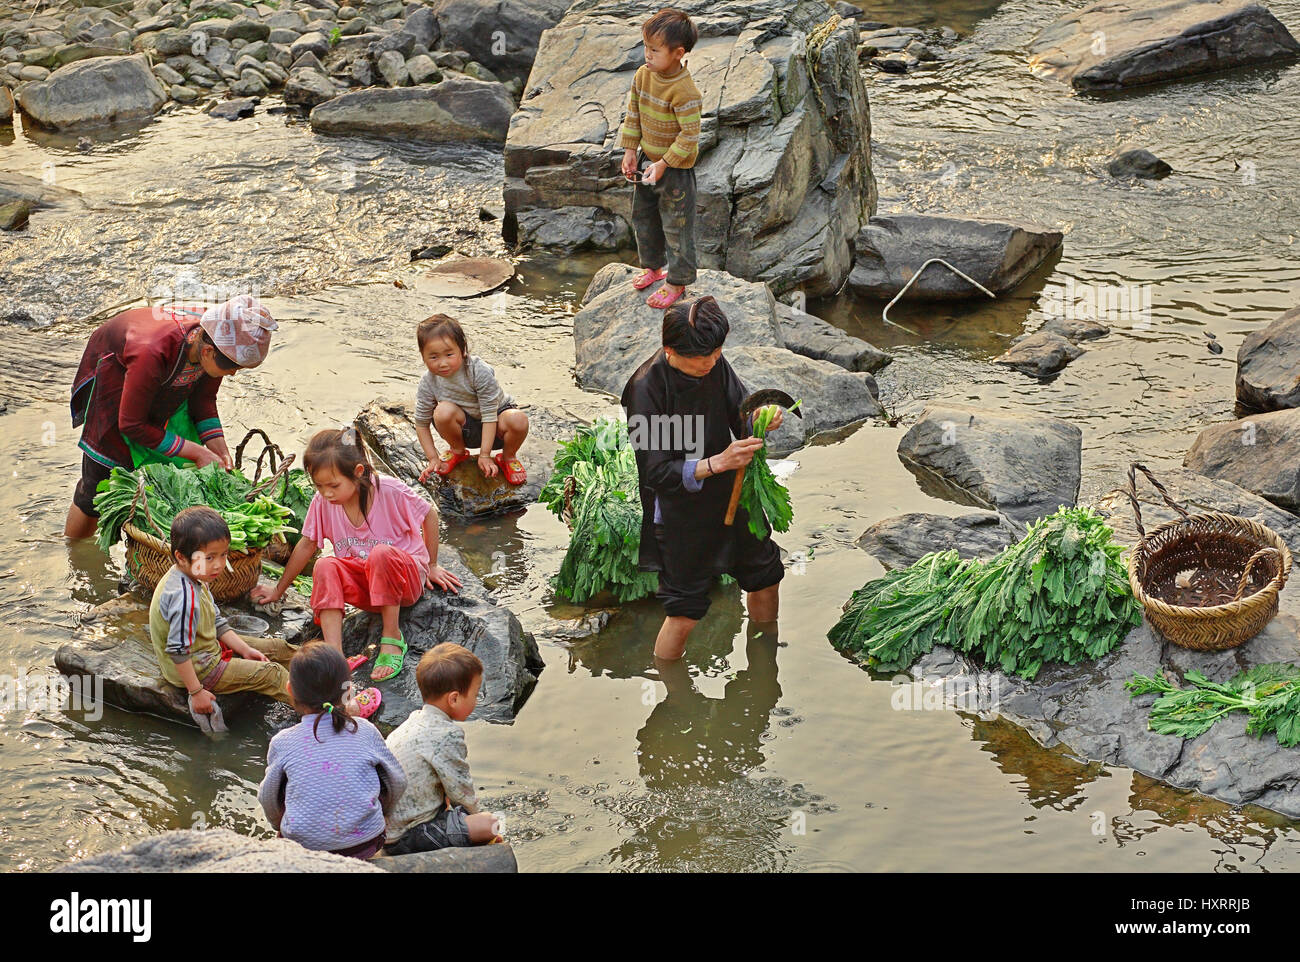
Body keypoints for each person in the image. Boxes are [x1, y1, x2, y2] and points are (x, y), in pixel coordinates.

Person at [620, 295, 788, 661]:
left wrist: (761, 416)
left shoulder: (713, 361)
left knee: (765, 574)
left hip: (732, 490)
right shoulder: (645, 389)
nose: (711, 363)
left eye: (716, 353)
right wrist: (716, 462)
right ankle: (673, 696)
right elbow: (655, 471)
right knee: (685, 609)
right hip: (680, 509)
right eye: (700, 358)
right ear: (670, 349)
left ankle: (763, 662)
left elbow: (740, 412)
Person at [250, 428, 463, 688]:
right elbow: (307, 545)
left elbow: (428, 514)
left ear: (359, 472)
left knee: (381, 553)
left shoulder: (389, 491)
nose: (326, 493)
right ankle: (334, 655)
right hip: (368, 587)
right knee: (325, 564)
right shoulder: (323, 502)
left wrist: (430, 565)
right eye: (319, 485)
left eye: (334, 485)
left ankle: (392, 637)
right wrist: (278, 590)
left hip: (402, 583)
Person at [66, 295, 277, 539]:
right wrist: (198, 453)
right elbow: (131, 424)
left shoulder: (218, 339)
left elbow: (204, 401)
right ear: (207, 351)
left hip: (161, 379)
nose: (232, 374)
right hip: (117, 378)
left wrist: (220, 452)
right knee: (97, 486)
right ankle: (76, 551)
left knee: (165, 477)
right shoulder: (152, 350)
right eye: (232, 368)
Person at [149, 506, 304, 721]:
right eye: (210, 558)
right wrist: (196, 692)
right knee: (272, 674)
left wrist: (246, 649)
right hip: (200, 668)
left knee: (277, 648)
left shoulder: (195, 577)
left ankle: (324, 671)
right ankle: (323, 712)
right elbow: (178, 650)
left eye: (223, 555)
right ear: (181, 557)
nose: (219, 565)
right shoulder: (184, 597)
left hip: (205, 647)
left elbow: (217, 622)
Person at [257, 642, 407, 860]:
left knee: (283, 783)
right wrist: (384, 813)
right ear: (349, 691)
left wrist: (280, 825)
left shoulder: (283, 742)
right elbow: (398, 782)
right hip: (366, 844)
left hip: (304, 849)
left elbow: (268, 798)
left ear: (290, 689)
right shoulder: (365, 729)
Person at [618, 8, 702, 311]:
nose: (647, 55)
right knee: (643, 216)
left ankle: (677, 281)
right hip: (646, 160)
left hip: (675, 171)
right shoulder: (643, 76)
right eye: (645, 47)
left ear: (678, 53)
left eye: (654, 50)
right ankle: (652, 267)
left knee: (676, 225)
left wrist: (664, 163)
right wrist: (630, 150)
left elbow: (690, 136)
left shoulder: (685, 91)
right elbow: (634, 113)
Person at [383, 643, 502, 855]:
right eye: (475, 694)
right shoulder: (446, 735)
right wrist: (477, 820)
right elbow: (462, 793)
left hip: (390, 830)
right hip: (409, 836)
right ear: (454, 699)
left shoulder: (412, 722)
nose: (477, 700)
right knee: (491, 823)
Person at [413, 314, 530, 486]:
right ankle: (457, 450)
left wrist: (484, 455)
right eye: (433, 357)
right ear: (423, 357)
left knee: (518, 419)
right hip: (466, 428)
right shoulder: (428, 381)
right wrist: (432, 458)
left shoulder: (477, 370)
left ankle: (508, 457)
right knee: (442, 412)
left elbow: (490, 414)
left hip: (497, 425)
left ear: (463, 350)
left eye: (449, 354)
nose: (443, 363)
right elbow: (422, 423)